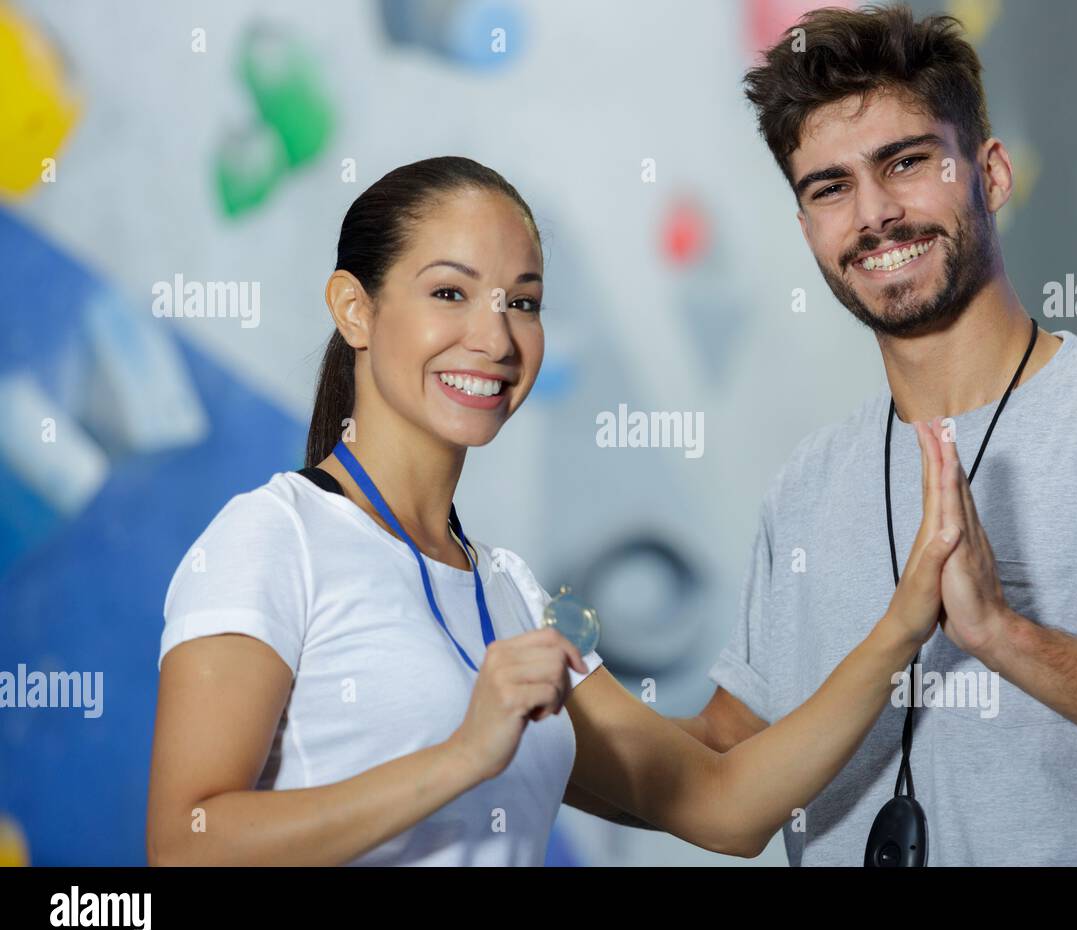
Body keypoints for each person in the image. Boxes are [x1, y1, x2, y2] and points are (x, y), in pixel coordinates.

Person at [577, 4, 1077, 865]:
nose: (875, 214)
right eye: (831, 188)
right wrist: (529, 736)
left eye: (906, 162)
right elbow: (728, 758)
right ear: (807, 228)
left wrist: (1005, 634)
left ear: (990, 174)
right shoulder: (808, 483)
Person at [145, 155, 966, 866]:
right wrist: (464, 754)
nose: (495, 338)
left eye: (523, 302)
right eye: (450, 292)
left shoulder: (509, 593)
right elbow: (185, 843)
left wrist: (903, 624)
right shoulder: (273, 537)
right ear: (355, 308)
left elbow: (725, 807)